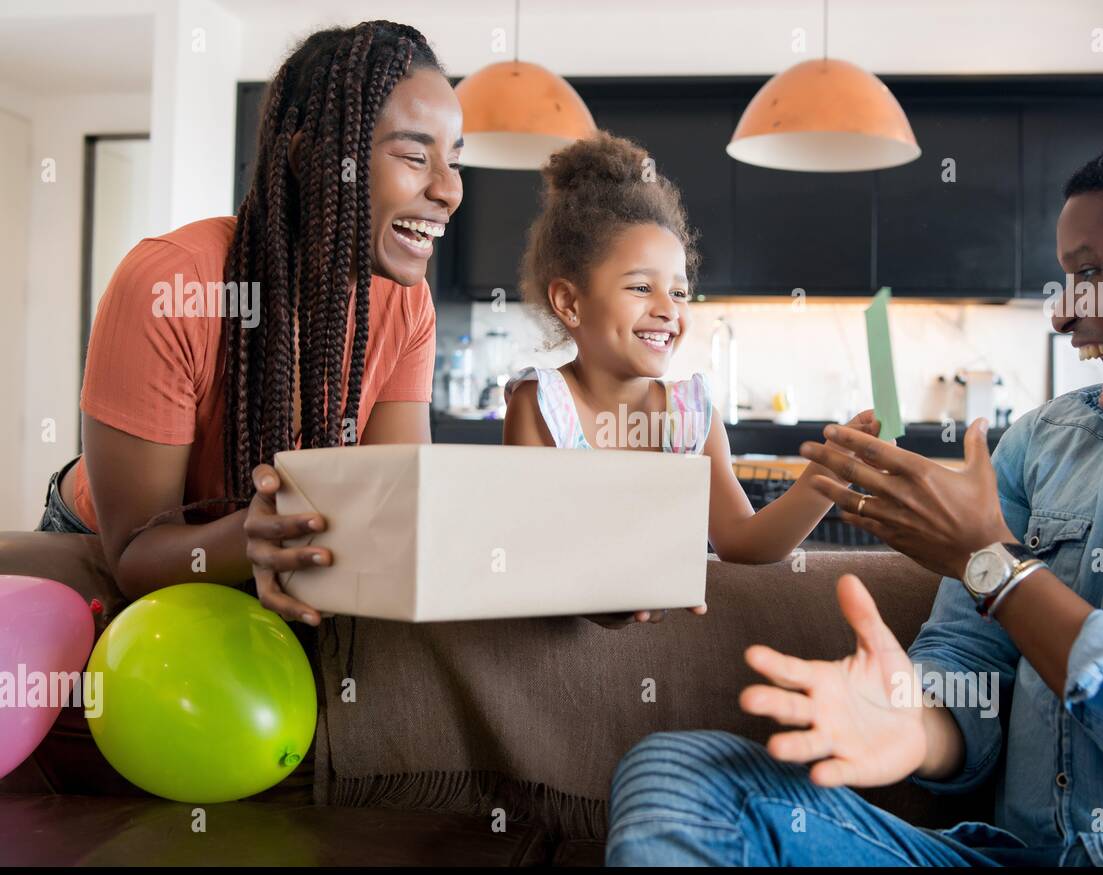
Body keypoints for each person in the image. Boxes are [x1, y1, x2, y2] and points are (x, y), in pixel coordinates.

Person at [606, 121, 1103, 867]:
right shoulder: (1043, 442)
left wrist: (996, 567)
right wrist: (915, 721)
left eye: (1090, 273)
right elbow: (971, 668)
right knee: (678, 775)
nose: (1063, 312)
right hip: (1006, 857)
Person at [37, 21, 463, 628]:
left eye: (454, 159)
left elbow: (390, 508)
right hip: (104, 560)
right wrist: (248, 539)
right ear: (309, 160)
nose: (449, 189)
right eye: (416, 156)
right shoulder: (172, 286)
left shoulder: (405, 306)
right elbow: (133, 553)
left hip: (266, 563)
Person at [503, 131, 878, 608]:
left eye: (679, 292)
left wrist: (828, 473)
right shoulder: (540, 404)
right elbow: (532, 551)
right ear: (569, 302)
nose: (667, 309)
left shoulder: (691, 418)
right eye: (641, 288)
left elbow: (743, 543)